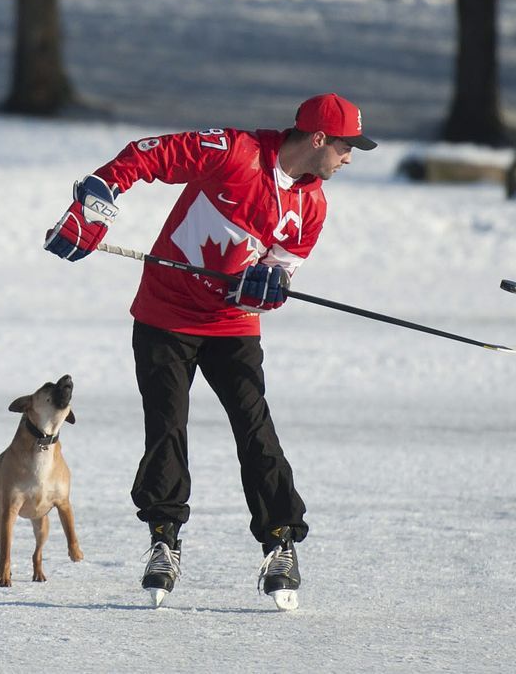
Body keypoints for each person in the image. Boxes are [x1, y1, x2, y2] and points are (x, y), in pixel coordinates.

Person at [42, 93, 377, 610]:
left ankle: (281, 542)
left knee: (255, 428)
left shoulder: (312, 205)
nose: (349, 157)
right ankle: (163, 540)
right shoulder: (232, 151)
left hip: (231, 324)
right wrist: (97, 200)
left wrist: (270, 287)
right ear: (318, 139)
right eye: (346, 146)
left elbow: (283, 271)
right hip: (164, 316)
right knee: (166, 428)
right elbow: (146, 154)